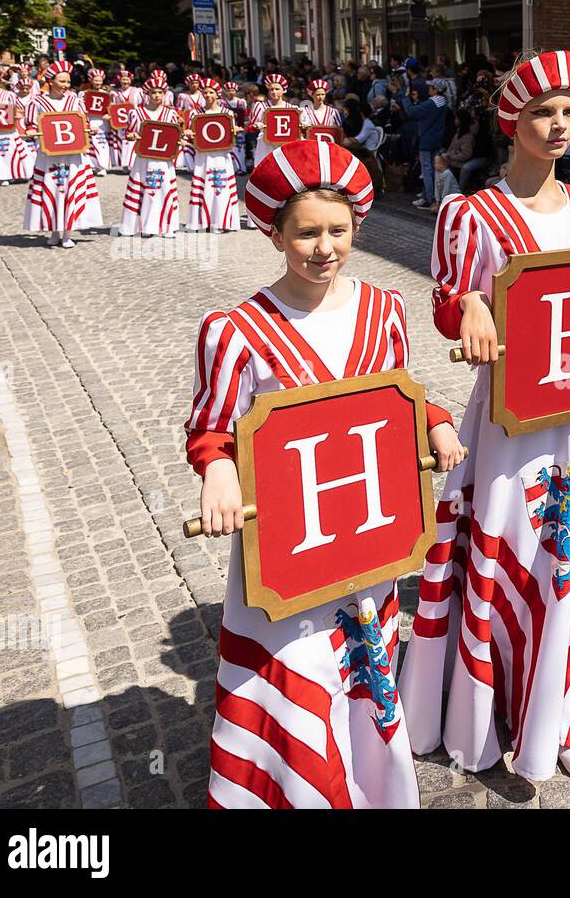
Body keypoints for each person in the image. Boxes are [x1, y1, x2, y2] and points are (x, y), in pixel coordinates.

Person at [398, 51, 570, 789]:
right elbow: (446, 301)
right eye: (543, 112)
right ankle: (497, 703)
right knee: (515, 546)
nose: (557, 126)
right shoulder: (468, 211)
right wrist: (476, 304)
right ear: (510, 120)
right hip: (510, 415)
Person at [190, 139, 462, 808]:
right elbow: (212, 428)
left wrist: (436, 419)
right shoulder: (235, 330)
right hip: (286, 542)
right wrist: (217, 472)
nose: (323, 247)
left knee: (363, 658)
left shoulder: (383, 309)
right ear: (275, 232)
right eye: (306, 232)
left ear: (356, 229)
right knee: (296, 665)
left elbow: (396, 392)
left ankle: (372, 781)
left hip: (366, 531)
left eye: (336, 231)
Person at [22, 61, 103, 249]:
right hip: (49, 154)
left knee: (70, 189)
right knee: (52, 188)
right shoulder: (37, 102)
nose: (66, 85)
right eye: (62, 81)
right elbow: (30, 124)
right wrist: (31, 131)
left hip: (72, 154)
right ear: (51, 81)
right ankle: (54, 231)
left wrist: (90, 129)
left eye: (68, 82)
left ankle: (67, 232)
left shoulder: (74, 100)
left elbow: (83, 122)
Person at [117, 76, 181, 237]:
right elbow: (129, 132)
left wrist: (181, 141)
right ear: (147, 93)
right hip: (144, 158)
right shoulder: (136, 113)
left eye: (160, 92)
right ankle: (143, 226)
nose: (157, 96)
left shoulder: (171, 114)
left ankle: (166, 226)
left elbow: (175, 136)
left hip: (163, 160)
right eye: (154, 92)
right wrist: (131, 136)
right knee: (143, 191)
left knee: (164, 190)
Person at [185, 79, 242, 233]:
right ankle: (203, 222)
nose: (208, 95)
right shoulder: (196, 113)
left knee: (222, 189)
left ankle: (224, 221)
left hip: (222, 156)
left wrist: (234, 130)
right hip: (204, 157)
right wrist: (189, 133)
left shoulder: (227, 113)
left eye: (211, 92)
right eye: (205, 93)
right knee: (205, 188)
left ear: (217, 94)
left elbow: (230, 136)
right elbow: (191, 135)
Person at [393, 77, 449, 209]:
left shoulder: (431, 103)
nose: (428, 89)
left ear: (435, 89)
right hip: (437, 139)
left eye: (431, 87)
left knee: (427, 170)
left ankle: (430, 199)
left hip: (426, 140)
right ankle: (429, 196)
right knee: (434, 169)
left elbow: (411, 112)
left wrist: (406, 98)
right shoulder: (442, 101)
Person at [249, 73, 299, 168]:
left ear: (283, 90)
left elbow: (297, 130)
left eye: (277, 89)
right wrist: (256, 126)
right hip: (266, 146)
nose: (274, 92)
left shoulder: (292, 109)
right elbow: (251, 127)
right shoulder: (260, 106)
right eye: (271, 89)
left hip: (285, 146)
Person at [109, 69, 144, 170]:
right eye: (123, 79)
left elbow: (141, 105)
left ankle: (134, 164)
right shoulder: (115, 93)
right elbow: (112, 106)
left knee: (134, 140)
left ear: (131, 80)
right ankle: (124, 164)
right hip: (120, 121)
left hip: (135, 119)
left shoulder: (137, 91)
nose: (125, 81)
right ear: (119, 80)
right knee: (123, 142)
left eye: (127, 79)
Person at [81, 67, 111, 176]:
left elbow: (110, 109)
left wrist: (108, 115)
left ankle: (102, 167)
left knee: (102, 144)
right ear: (91, 80)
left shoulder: (106, 94)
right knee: (90, 144)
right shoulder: (84, 93)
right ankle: (91, 166)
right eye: (95, 80)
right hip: (90, 121)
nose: (98, 82)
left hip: (102, 123)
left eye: (99, 80)